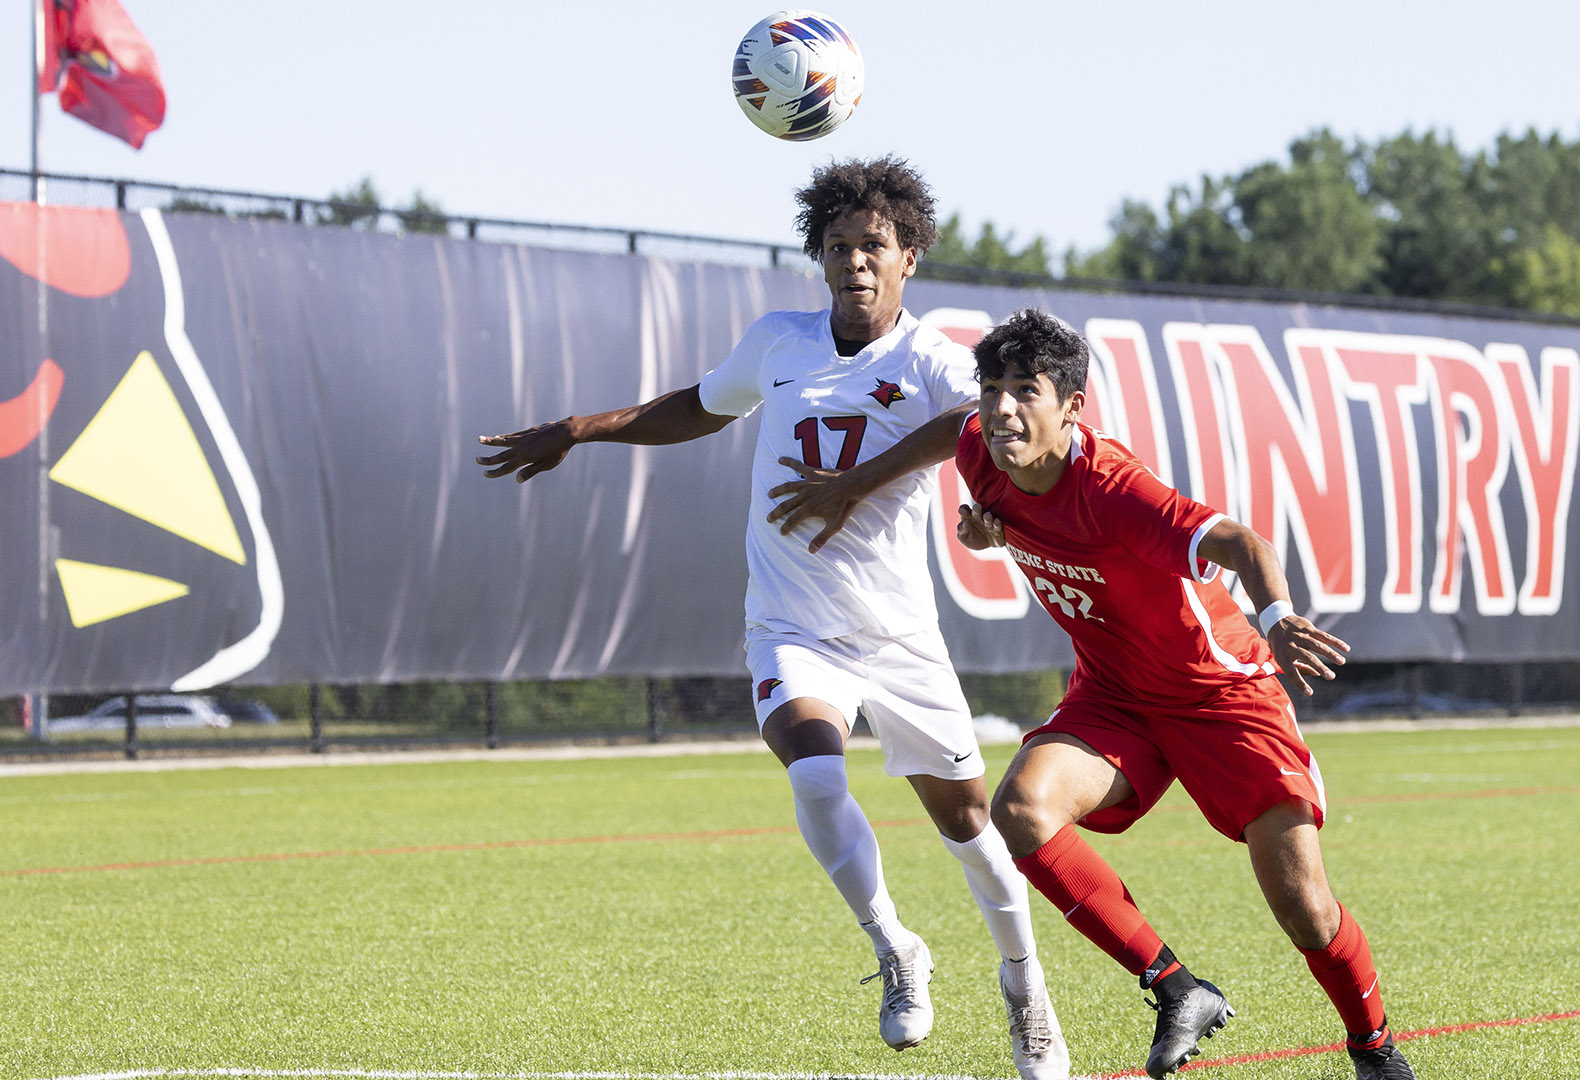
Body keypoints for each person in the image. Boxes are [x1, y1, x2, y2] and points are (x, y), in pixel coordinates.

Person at [472, 159, 1067, 1080]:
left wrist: (856, 487)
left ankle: (1026, 987)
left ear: (909, 256)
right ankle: (897, 950)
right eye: (838, 247)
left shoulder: (935, 358)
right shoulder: (778, 342)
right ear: (818, 258)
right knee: (816, 778)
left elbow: (968, 424)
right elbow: (700, 408)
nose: (855, 263)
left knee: (969, 824)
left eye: (874, 246)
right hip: (791, 623)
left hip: (899, 635)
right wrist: (580, 430)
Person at [773, 309, 1417, 1080]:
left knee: (1305, 908)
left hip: (1218, 694)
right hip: (1115, 694)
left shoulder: (1117, 491)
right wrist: (863, 488)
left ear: (1072, 407)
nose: (1002, 409)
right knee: (1019, 812)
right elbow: (952, 429)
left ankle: (1374, 1047)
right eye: (992, 389)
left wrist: (1277, 617)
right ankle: (1177, 987)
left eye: (1025, 392)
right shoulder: (983, 447)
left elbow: (1244, 543)